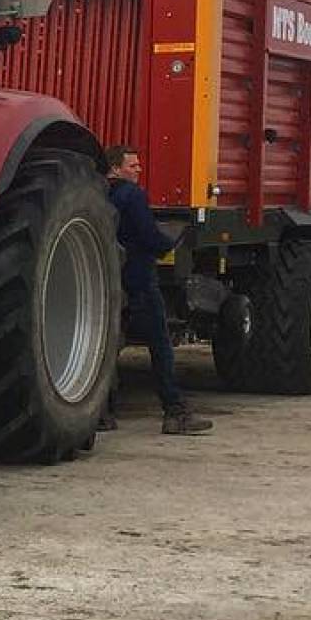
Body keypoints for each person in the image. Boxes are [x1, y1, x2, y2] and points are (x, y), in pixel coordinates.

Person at [104, 145, 212, 436]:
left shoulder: (99, 194)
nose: (138, 169)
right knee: (161, 345)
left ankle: (104, 412)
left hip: (112, 279)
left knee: (110, 346)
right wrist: (169, 244)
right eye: (132, 165)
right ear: (115, 168)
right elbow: (147, 233)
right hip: (140, 279)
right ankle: (175, 411)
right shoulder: (132, 195)